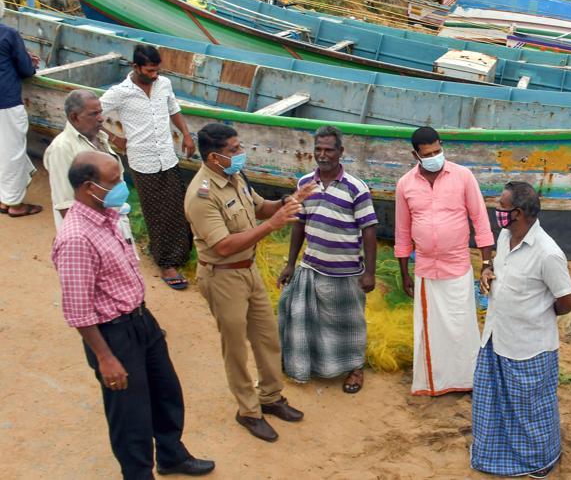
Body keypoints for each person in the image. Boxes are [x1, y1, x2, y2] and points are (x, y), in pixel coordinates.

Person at [52, 151, 215, 479]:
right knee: (130, 416)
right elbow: (79, 311)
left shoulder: (108, 216)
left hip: (141, 320)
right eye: (114, 181)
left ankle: (171, 455)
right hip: (112, 334)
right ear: (88, 187)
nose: (122, 186)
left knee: (167, 394)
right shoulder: (75, 239)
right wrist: (105, 358)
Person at [184, 123, 309, 442]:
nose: (241, 154)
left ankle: (270, 397)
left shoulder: (234, 176)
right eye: (234, 150)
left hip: (248, 271)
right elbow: (223, 245)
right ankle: (248, 411)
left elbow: (261, 207)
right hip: (222, 276)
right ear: (214, 157)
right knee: (236, 348)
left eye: (240, 147)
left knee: (267, 337)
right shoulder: (201, 194)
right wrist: (272, 226)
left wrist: (288, 201)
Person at [473, 181, 571, 478]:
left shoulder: (548, 253)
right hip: (497, 336)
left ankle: (540, 460)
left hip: (530, 345)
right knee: (497, 400)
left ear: (516, 213)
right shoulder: (505, 236)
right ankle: (501, 453)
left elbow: (568, 300)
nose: (497, 212)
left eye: (501, 207)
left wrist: (539, 314)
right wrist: (487, 271)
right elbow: (497, 266)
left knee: (531, 408)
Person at [394, 126, 495, 397]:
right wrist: (404, 273)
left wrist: (486, 263)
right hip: (426, 269)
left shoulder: (463, 176)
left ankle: (467, 380)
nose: (435, 157)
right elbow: (402, 232)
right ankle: (435, 383)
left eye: (438, 151)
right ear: (415, 154)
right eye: (428, 154)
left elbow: (481, 222)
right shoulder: (405, 184)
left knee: (462, 327)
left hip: (458, 265)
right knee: (431, 331)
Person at [277, 126, 377, 392]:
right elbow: (299, 224)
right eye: (318, 149)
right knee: (303, 316)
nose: (322, 155)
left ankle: (355, 368)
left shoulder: (357, 188)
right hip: (311, 266)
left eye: (328, 149)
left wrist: (369, 272)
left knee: (349, 324)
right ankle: (309, 364)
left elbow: (369, 229)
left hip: (346, 270)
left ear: (340, 152)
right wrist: (290, 263)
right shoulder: (304, 184)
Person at [100, 44, 194, 290]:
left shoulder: (164, 84)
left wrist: (186, 135)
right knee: (156, 212)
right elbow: (92, 113)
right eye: (150, 71)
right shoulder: (121, 92)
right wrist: (113, 136)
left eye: (157, 70)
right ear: (135, 67)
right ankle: (165, 263)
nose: (155, 75)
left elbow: (174, 109)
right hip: (142, 160)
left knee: (176, 207)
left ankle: (179, 253)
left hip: (167, 155)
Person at [43, 90, 126, 230]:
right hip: (90, 231)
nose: (101, 118)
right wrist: (95, 237)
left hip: (113, 223)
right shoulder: (62, 149)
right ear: (74, 117)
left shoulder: (99, 138)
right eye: (94, 114)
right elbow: (65, 205)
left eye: (100, 112)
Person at [0, 7, 43, 217]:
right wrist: (30, 62)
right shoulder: (9, 34)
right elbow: (26, 69)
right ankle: (14, 203)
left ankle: (4, 198)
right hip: (6, 101)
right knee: (13, 153)